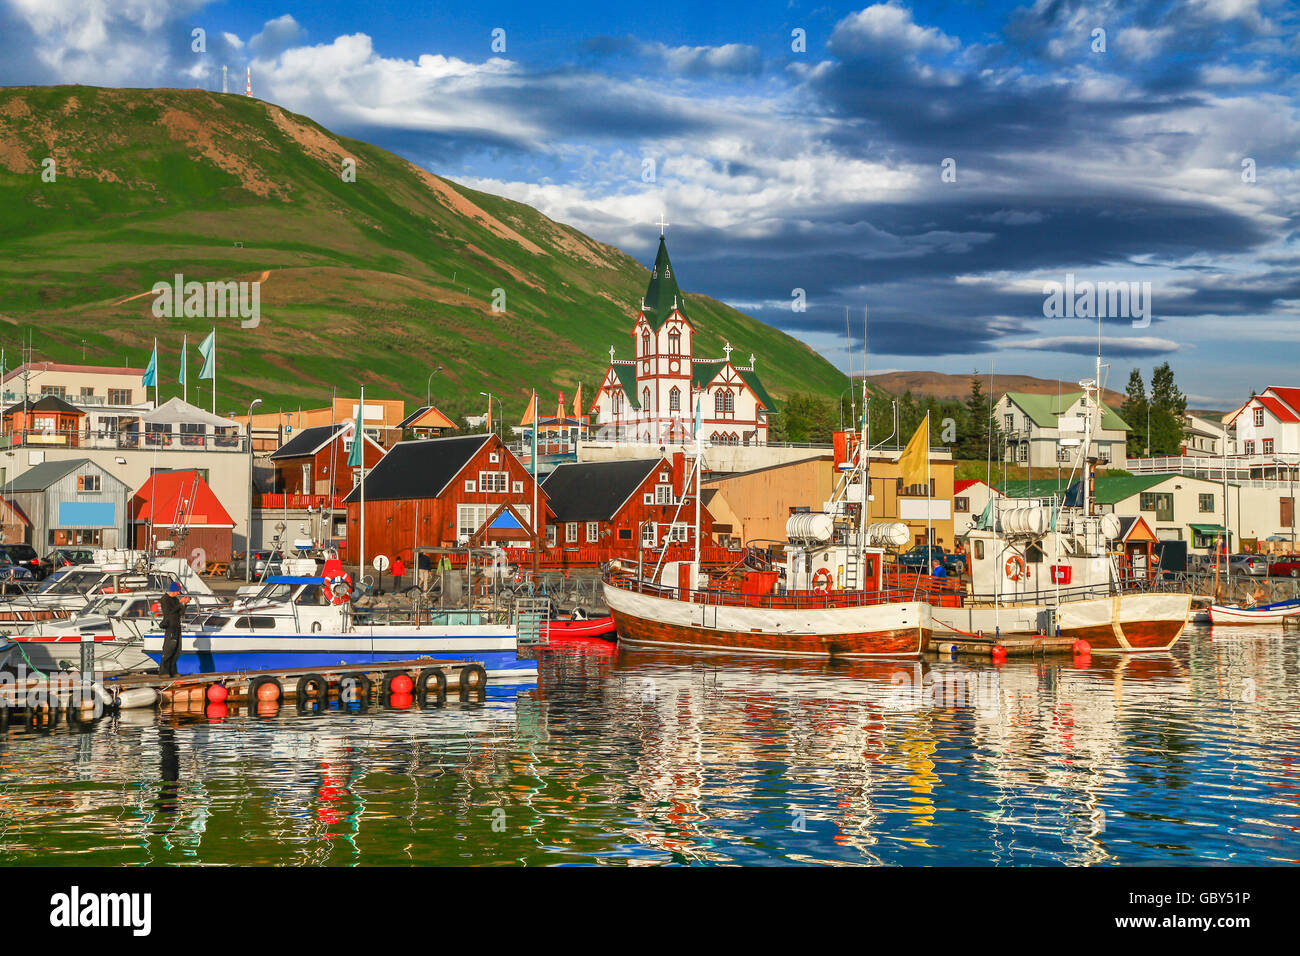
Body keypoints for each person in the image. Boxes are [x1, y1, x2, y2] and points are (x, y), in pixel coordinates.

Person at [158, 582, 190, 678]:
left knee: (177, 650)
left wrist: (184, 604)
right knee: (168, 649)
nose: (179, 593)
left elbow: (180, 612)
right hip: (170, 626)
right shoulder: (165, 599)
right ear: (174, 590)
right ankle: (164, 672)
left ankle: (173, 671)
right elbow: (169, 612)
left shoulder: (176, 599)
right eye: (178, 591)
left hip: (177, 626)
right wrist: (180, 602)